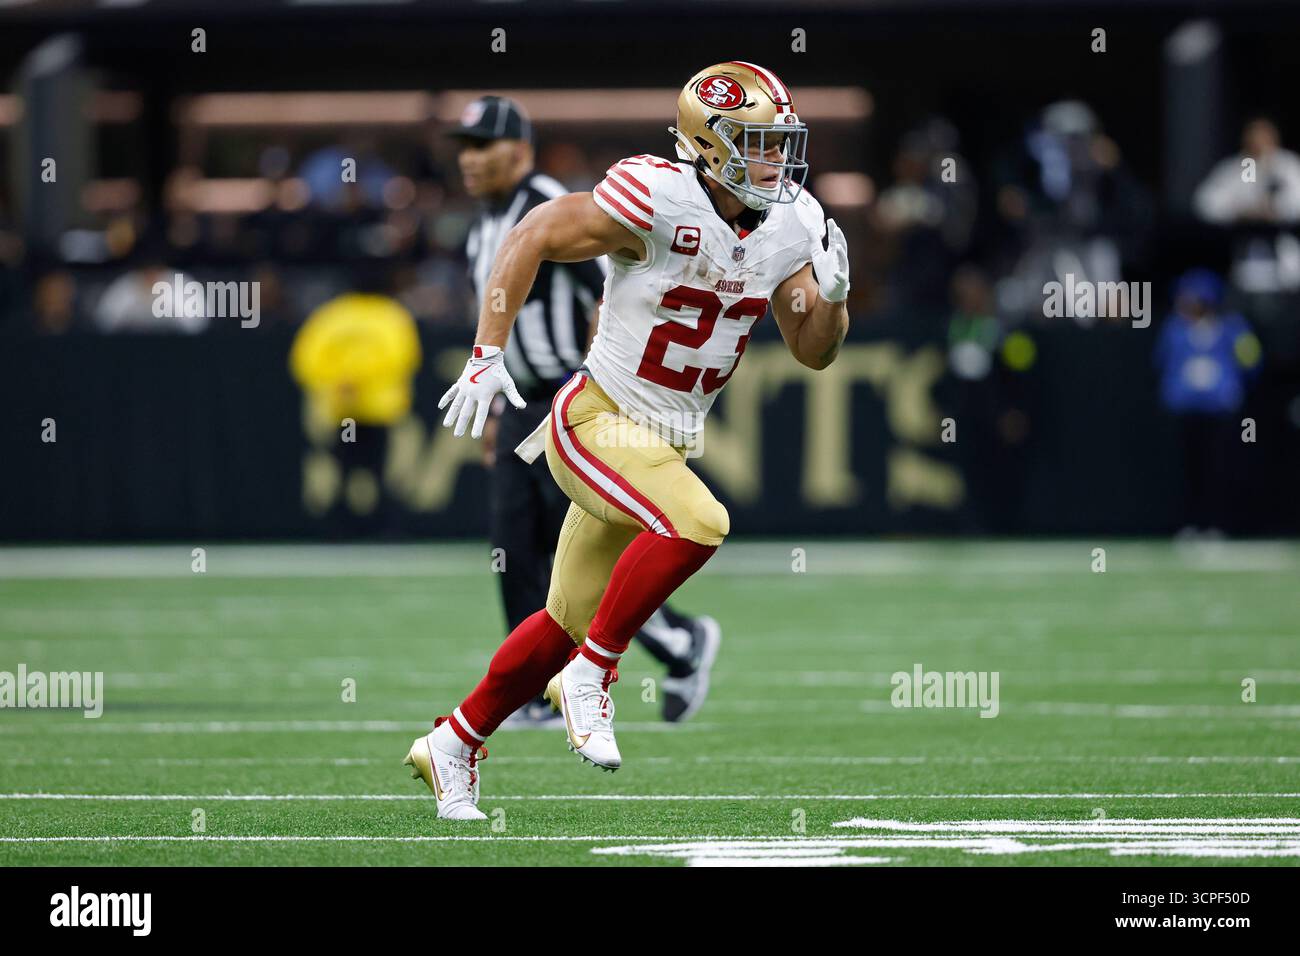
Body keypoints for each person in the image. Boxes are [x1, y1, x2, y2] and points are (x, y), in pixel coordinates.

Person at [403, 63, 851, 820]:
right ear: (709, 146)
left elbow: (813, 349)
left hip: (663, 440)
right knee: (701, 523)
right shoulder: (656, 193)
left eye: (781, 142)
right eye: (756, 142)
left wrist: (836, 300)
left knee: (561, 621)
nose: (775, 159)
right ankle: (593, 677)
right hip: (596, 418)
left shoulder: (791, 222)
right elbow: (533, 234)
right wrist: (485, 353)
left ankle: (453, 742)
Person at [449, 95, 722, 727]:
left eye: (480, 145)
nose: (468, 160)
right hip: (521, 399)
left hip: (573, 397)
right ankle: (651, 650)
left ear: (519, 149)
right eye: (462, 147)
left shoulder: (549, 202)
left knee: (575, 546)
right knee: (518, 542)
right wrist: (495, 405)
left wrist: (603, 390)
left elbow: (616, 287)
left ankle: (672, 642)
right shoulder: (482, 222)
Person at [1154, 269, 1262, 535]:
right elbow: (1161, 361)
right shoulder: (1175, 330)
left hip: (1220, 410)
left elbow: (1252, 361)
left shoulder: (1232, 328)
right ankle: (1191, 523)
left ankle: (1216, 524)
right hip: (1187, 410)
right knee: (1189, 469)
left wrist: (1230, 384)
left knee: (1220, 468)